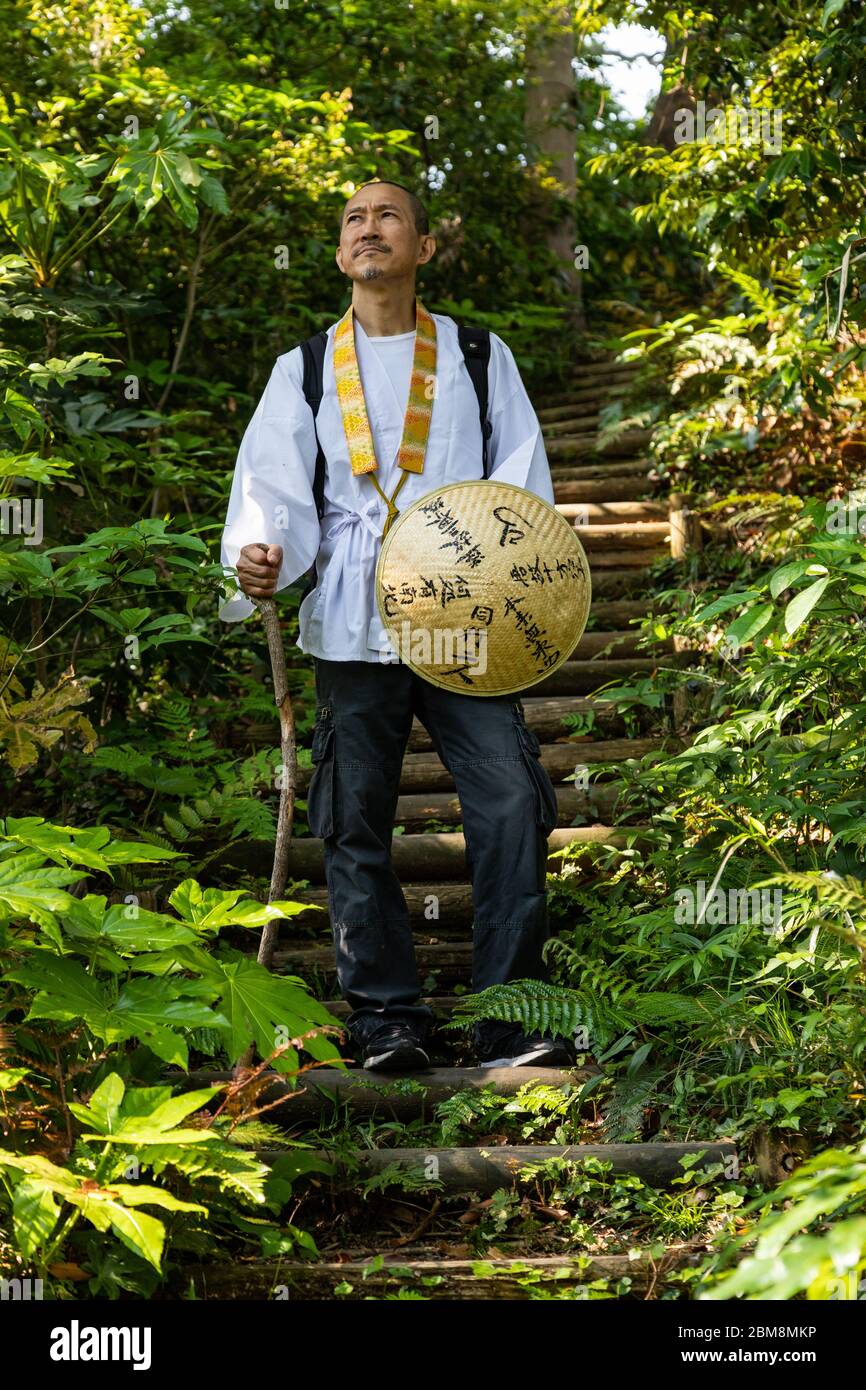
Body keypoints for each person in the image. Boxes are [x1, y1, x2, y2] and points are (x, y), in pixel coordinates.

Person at [218, 179, 575, 1072]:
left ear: (421, 247)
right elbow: (270, 488)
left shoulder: (479, 356)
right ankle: (386, 1018)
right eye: (352, 219)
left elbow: (523, 486)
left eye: (388, 216)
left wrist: (517, 595)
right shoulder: (303, 368)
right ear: (342, 254)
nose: (368, 228)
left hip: (471, 616)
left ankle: (508, 1016)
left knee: (507, 805)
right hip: (351, 617)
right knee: (352, 818)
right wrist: (259, 558)